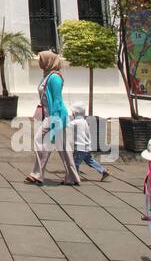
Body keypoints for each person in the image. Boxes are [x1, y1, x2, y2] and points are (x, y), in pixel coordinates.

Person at [26, 50, 80, 186]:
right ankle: (72, 177)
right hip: (51, 115)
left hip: (56, 116)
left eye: (41, 59)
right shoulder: (48, 75)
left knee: (40, 140)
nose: (39, 62)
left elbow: (57, 101)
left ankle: (37, 174)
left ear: (49, 61)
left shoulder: (55, 78)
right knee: (63, 149)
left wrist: (55, 121)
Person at [70, 104, 109, 181]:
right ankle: (103, 171)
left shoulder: (75, 122)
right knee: (90, 161)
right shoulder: (84, 122)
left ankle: (74, 177)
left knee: (74, 163)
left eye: (73, 112)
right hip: (87, 147)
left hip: (80, 148)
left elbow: (67, 126)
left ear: (75, 113)